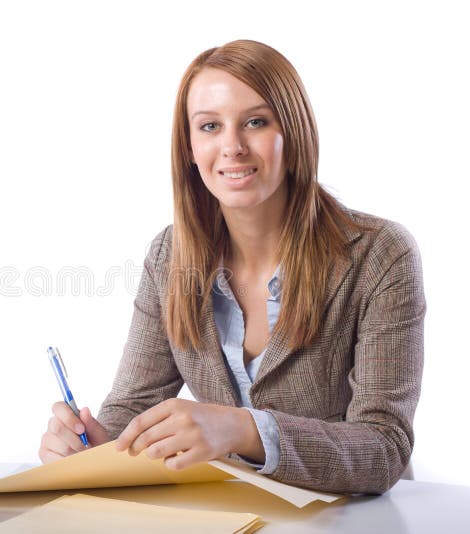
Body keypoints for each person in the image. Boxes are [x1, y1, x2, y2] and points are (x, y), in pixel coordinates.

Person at [38, 39, 425, 495]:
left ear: (294, 132)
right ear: (189, 147)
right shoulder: (170, 257)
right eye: (210, 126)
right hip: (232, 515)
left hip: (352, 517)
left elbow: (384, 447)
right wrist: (93, 448)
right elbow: (131, 411)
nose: (232, 147)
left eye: (256, 122)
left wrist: (244, 429)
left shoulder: (380, 255)